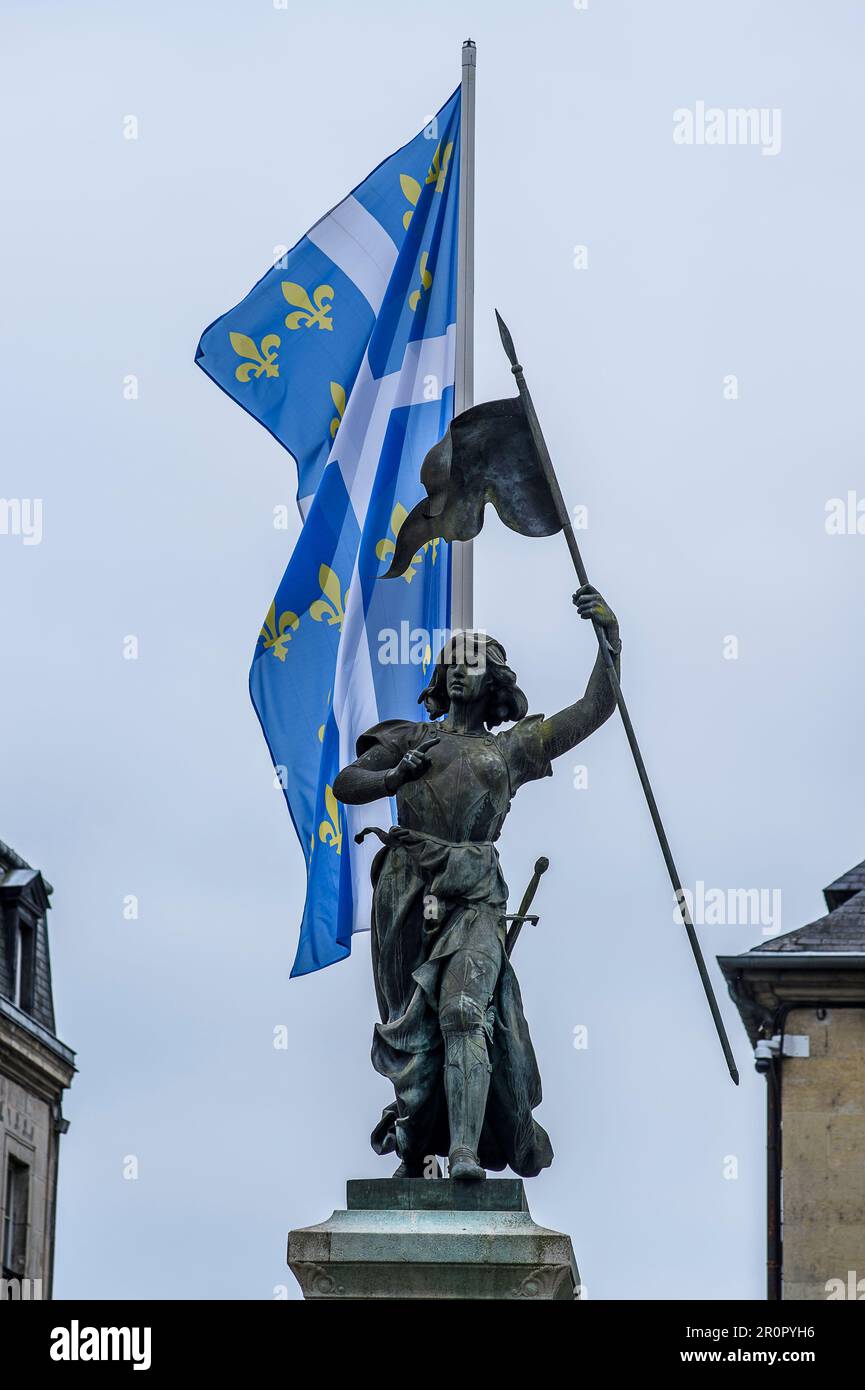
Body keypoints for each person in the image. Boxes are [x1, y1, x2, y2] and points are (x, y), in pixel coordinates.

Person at [332, 584, 621, 1179]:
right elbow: (346, 783)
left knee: (466, 1011)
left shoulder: (510, 749)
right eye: (451, 664)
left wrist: (609, 642)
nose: (459, 673)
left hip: (476, 893)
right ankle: (416, 1143)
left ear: (492, 680)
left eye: (472, 664)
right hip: (408, 894)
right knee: (417, 1034)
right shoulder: (409, 738)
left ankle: (465, 1153)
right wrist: (393, 779)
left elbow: (593, 710)